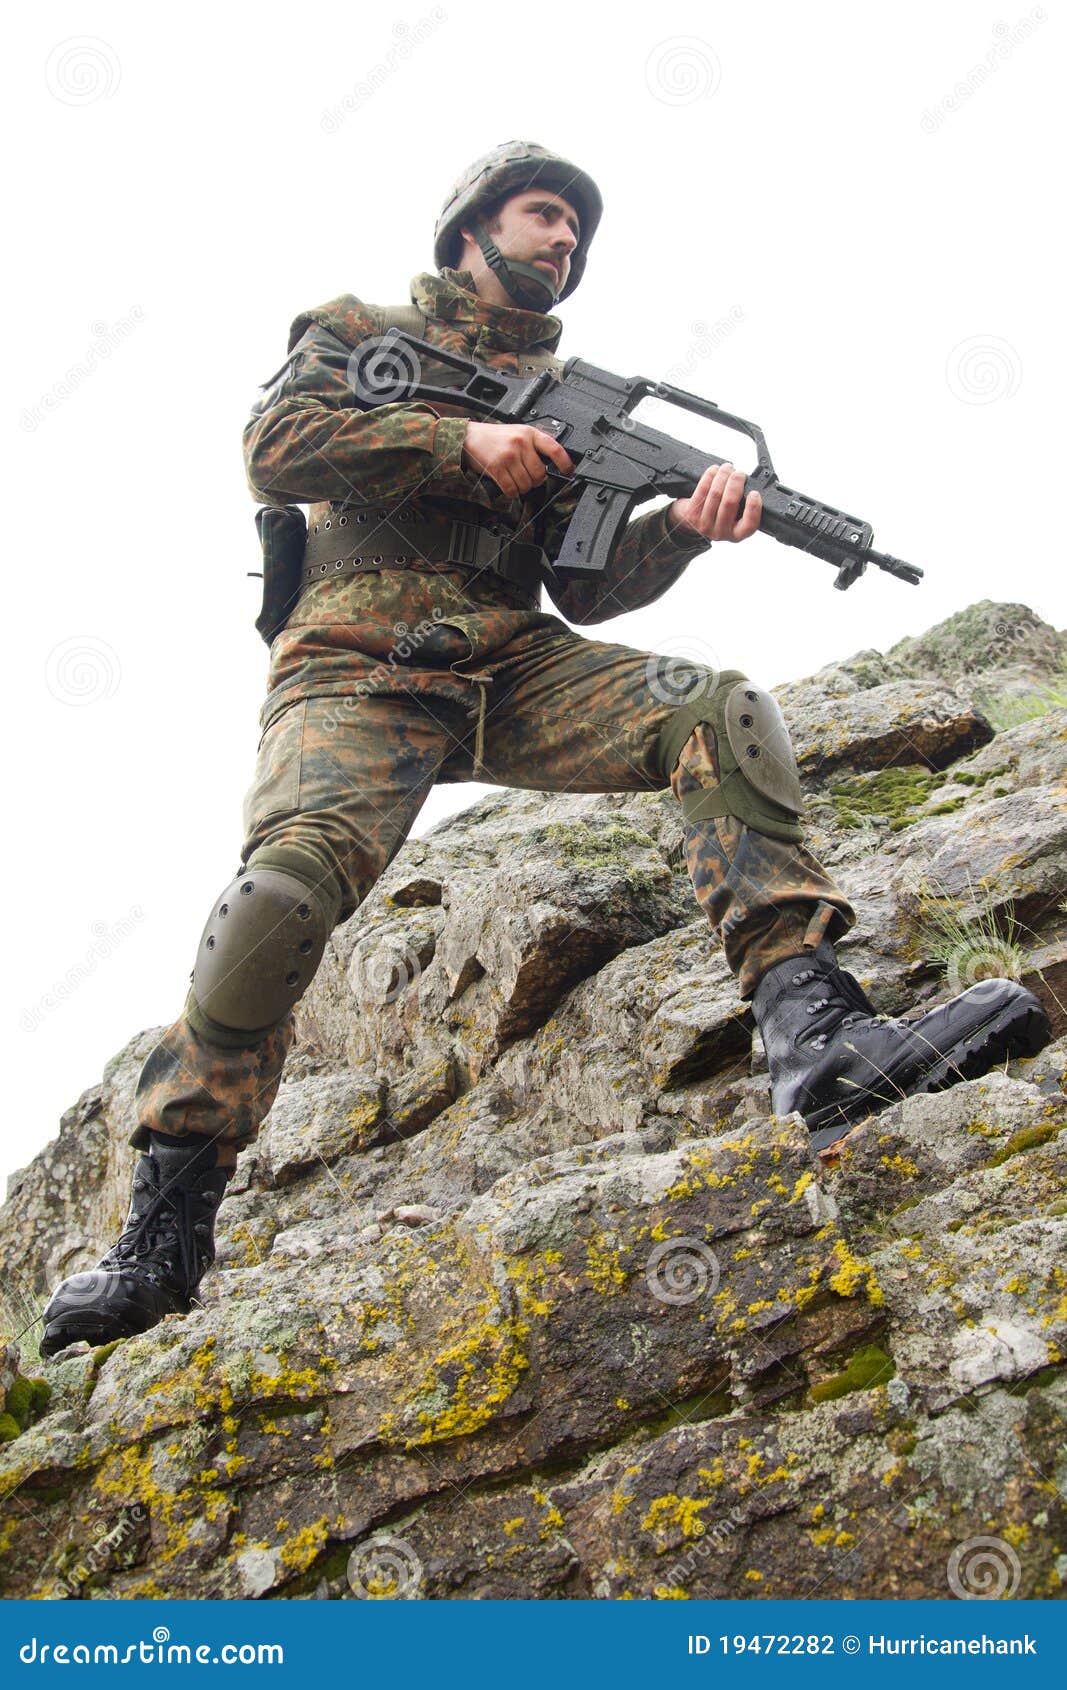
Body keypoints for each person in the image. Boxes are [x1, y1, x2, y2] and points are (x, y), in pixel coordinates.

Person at [39, 142, 1049, 1359]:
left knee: (709, 706)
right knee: (281, 891)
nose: (562, 240)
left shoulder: (583, 394)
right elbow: (276, 443)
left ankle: (815, 1033)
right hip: (357, 655)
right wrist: (451, 443)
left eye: (576, 230)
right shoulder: (366, 330)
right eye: (541, 216)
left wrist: (679, 526)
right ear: (472, 227)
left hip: (512, 659)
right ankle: (165, 1223)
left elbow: (590, 590)